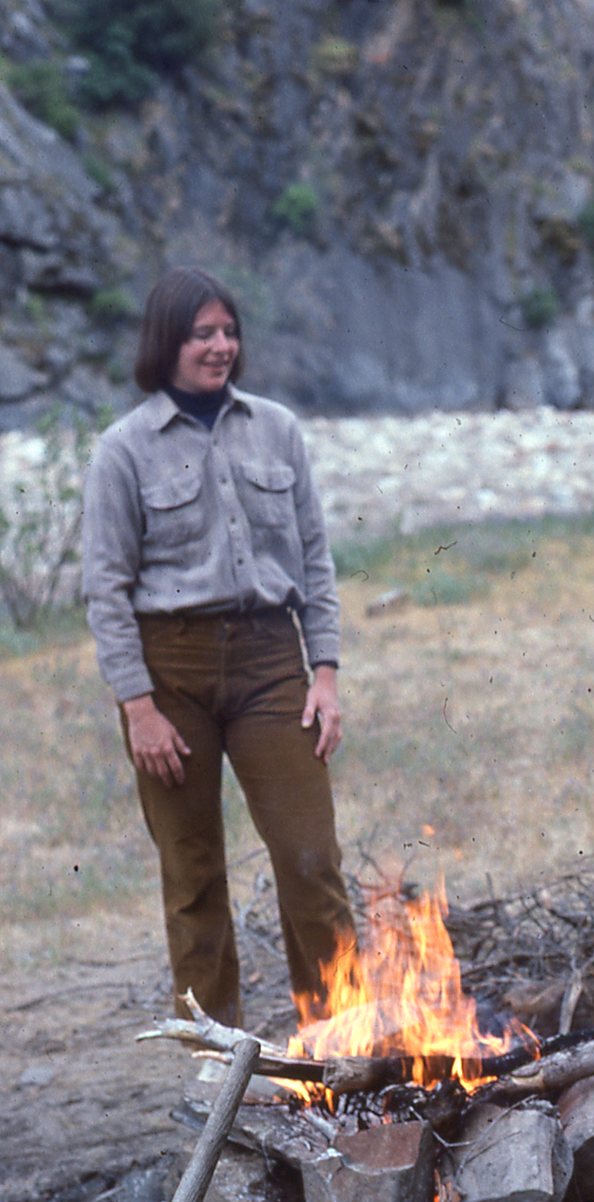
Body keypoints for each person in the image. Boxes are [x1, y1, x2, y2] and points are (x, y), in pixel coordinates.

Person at [83, 267, 356, 1026]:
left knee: (311, 861)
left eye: (228, 331)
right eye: (202, 333)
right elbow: (106, 591)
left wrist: (324, 674)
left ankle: (341, 1040)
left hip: (273, 666)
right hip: (170, 677)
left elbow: (314, 560)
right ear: (166, 343)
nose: (220, 346)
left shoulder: (277, 429)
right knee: (193, 873)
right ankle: (216, 1055)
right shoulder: (123, 450)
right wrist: (138, 707)